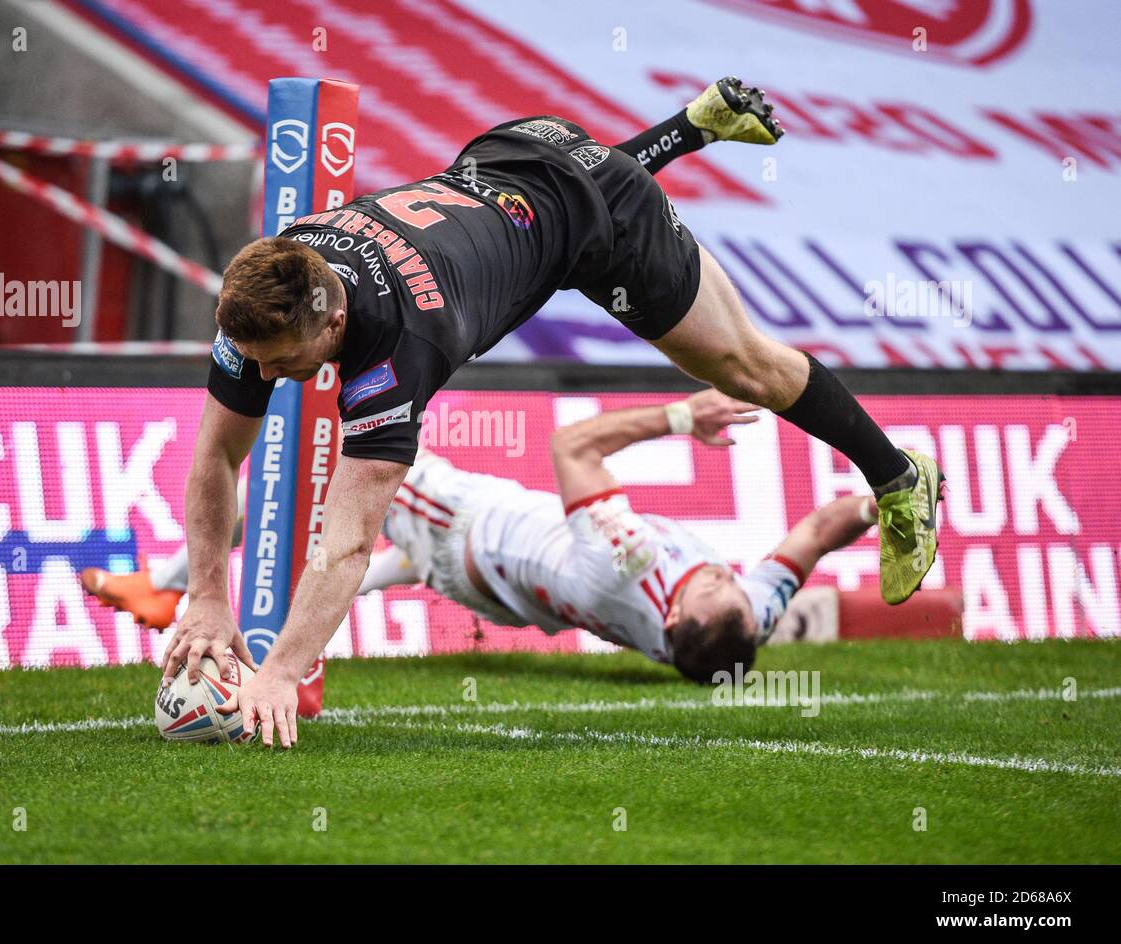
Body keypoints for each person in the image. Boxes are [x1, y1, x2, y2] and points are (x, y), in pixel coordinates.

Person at [169, 77, 943, 747]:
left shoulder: (398, 352)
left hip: (596, 210)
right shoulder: (276, 279)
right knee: (554, 213)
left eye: (279, 362)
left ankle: (897, 474)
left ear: (333, 323)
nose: (266, 375)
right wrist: (206, 593)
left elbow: (345, 546)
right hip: (510, 155)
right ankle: (695, 123)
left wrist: (278, 671)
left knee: (745, 366)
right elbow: (216, 454)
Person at [359, 390, 881, 681]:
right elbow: (815, 534)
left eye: (710, 588)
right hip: (502, 593)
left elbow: (572, 446)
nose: (724, 576)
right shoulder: (743, 623)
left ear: (672, 618)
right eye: (733, 589)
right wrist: (877, 504)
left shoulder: (629, 560)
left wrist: (681, 416)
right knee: (397, 556)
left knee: (360, 449)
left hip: (463, 529)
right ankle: (373, 572)